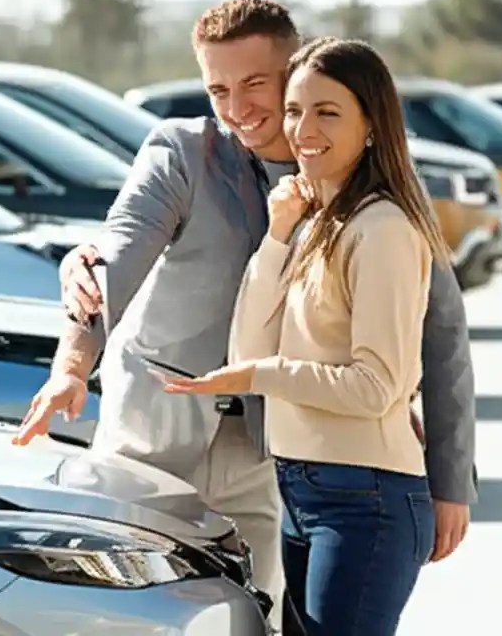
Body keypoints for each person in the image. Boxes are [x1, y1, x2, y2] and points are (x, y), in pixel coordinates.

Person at [11, 0, 476, 629]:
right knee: (126, 618)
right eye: (218, 89)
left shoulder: (374, 188)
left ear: (299, 70)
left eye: (256, 84)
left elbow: (441, 334)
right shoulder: (182, 151)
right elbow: (117, 254)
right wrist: (71, 364)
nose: (237, 110)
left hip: (268, 455)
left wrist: (450, 480)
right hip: (153, 436)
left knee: (249, 620)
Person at [155, 36, 447, 633]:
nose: (302, 128)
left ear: (372, 125)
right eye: (294, 110)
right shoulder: (316, 222)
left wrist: (263, 378)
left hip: (365, 498)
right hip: (302, 490)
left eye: (327, 112)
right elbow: (248, 350)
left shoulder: (382, 229)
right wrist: (278, 234)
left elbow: (377, 387)